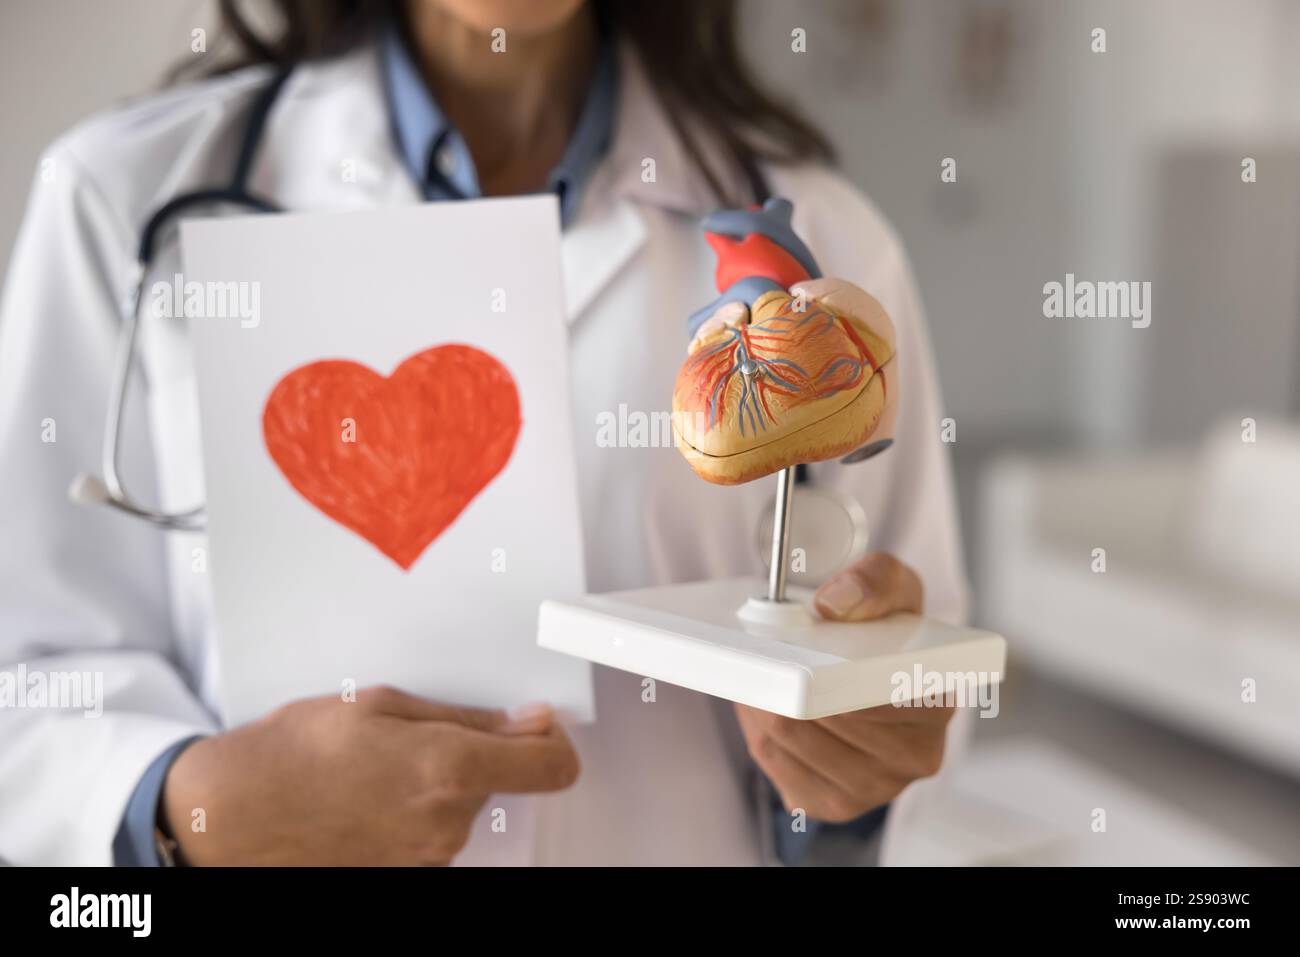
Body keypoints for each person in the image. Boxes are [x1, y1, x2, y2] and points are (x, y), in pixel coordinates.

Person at [0, 0, 968, 866]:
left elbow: (923, 706)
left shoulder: (831, 251)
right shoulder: (119, 196)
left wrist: (851, 791)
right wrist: (184, 808)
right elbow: (28, 682)